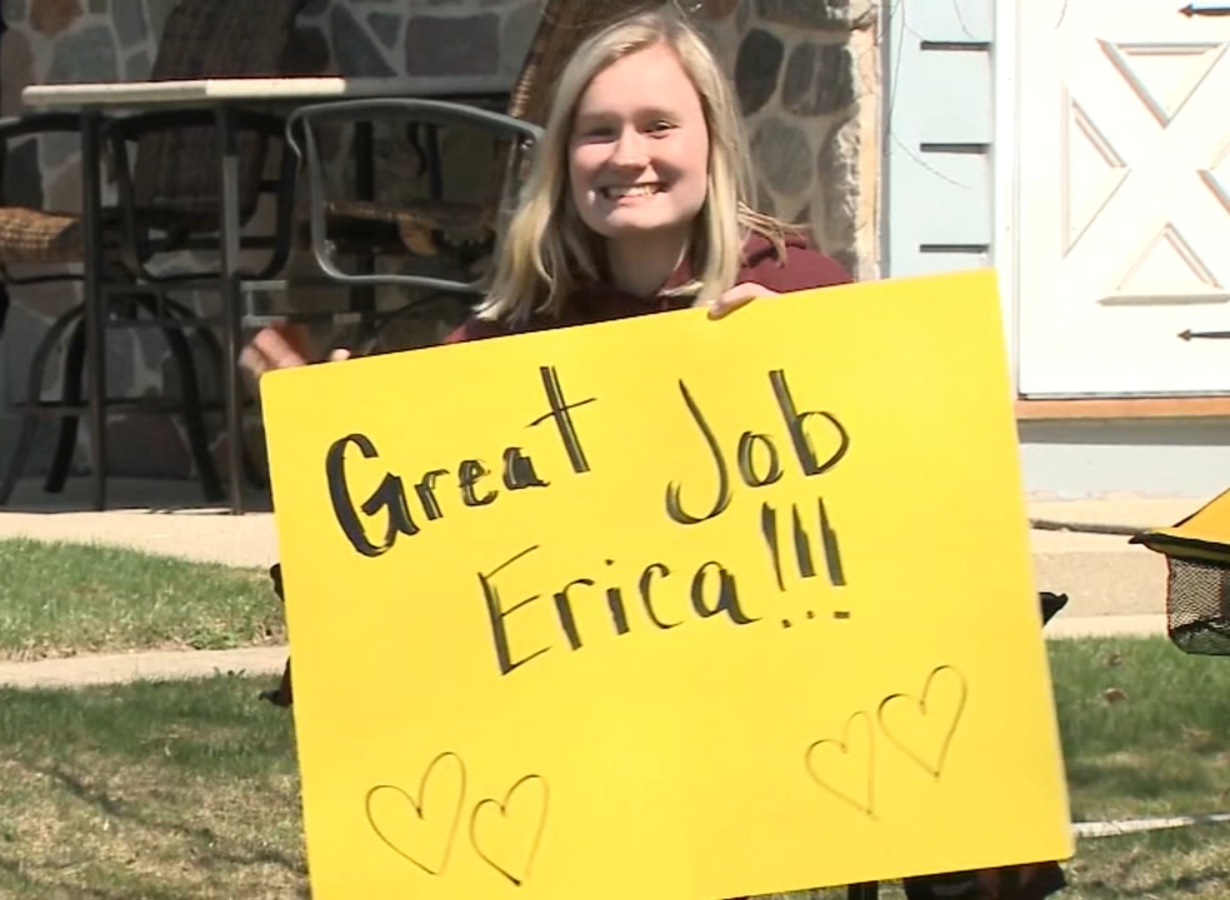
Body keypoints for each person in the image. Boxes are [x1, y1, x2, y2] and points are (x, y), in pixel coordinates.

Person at [242, 5, 1068, 899]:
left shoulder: (799, 294)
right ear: (563, 158)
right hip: (594, 780)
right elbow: (403, 602)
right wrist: (346, 463)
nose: (628, 155)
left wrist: (820, 393)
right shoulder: (503, 341)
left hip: (791, 754)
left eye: (659, 125)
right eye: (598, 132)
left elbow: (930, 546)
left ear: (713, 144)